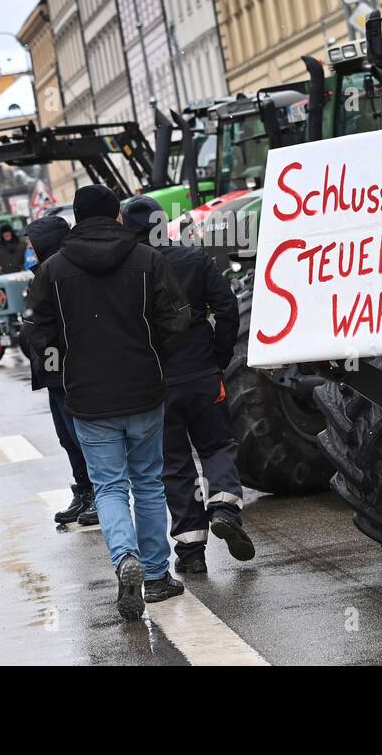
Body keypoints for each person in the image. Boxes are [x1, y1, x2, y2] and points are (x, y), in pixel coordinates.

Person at [25, 185, 191, 621]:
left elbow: (37, 333)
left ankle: (124, 560)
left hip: (88, 397)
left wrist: (64, 372)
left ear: (76, 219)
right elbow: (177, 318)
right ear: (117, 215)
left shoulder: (53, 271)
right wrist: (154, 355)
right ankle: (156, 575)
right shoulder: (147, 260)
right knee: (149, 483)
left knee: (110, 486)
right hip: (144, 389)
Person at [123, 196, 254, 573]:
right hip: (201, 373)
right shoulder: (194, 259)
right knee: (216, 445)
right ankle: (225, 509)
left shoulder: (130, 272)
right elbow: (228, 308)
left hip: (156, 384)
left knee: (174, 464)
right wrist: (219, 356)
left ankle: (192, 552)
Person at [20, 216, 96, 527]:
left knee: (83, 438)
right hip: (53, 376)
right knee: (67, 438)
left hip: (69, 373)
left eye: (31, 245)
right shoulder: (41, 275)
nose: (28, 251)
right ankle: (83, 490)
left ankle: (97, 494)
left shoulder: (61, 274)